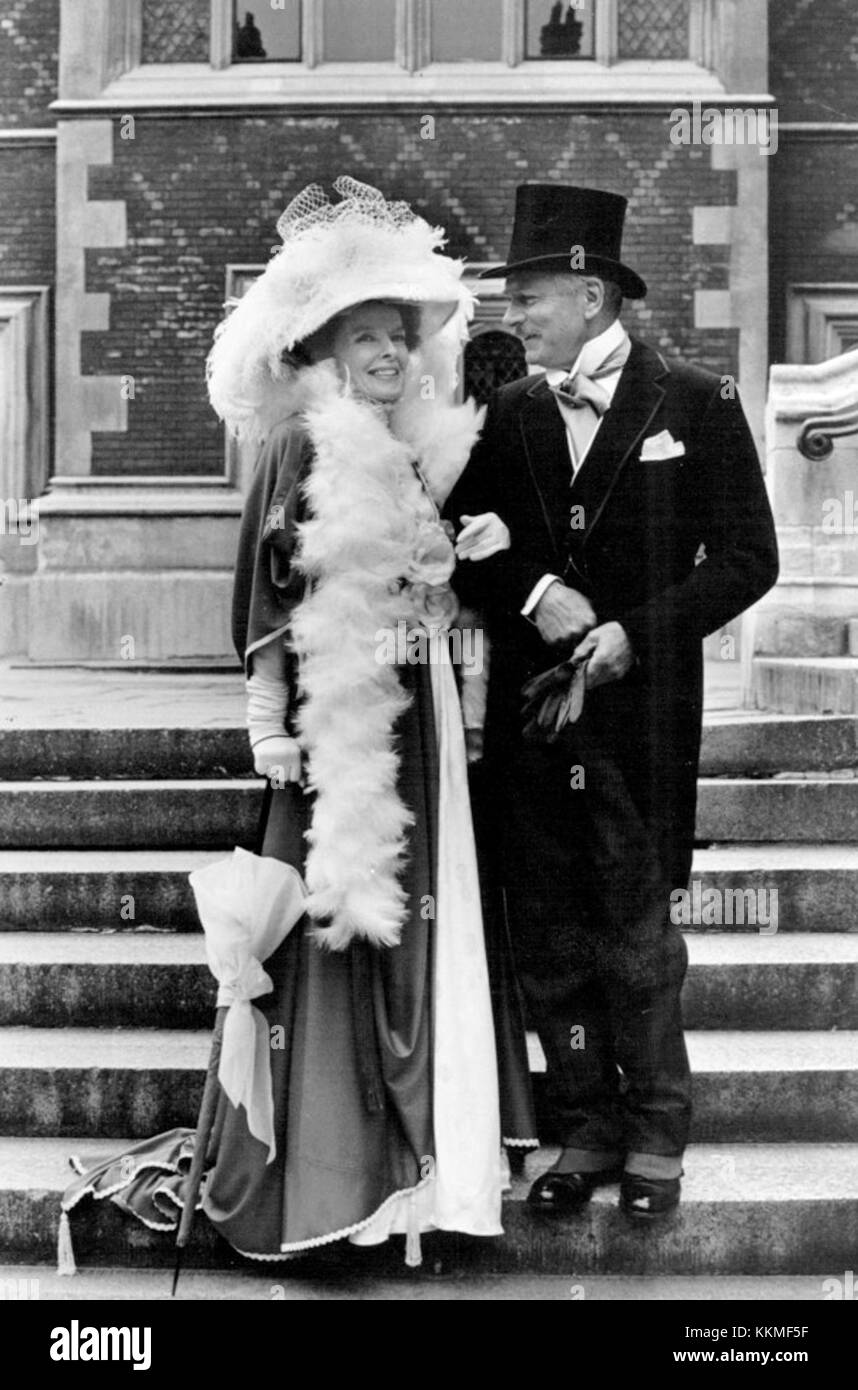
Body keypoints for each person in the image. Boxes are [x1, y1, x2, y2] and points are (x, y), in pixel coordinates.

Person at [60, 177, 536, 1269]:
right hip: (340, 730)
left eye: (399, 336)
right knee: (337, 944)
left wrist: (465, 573)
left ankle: (429, 1187)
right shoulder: (299, 445)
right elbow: (269, 603)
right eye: (367, 338)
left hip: (418, 730)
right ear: (324, 348)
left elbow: (436, 595)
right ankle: (337, 1184)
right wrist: (268, 723)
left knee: (425, 931)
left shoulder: (420, 445)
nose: (389, 354)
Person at [446, 184, 779, 1222]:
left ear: (590, 294)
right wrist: (539, 594)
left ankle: (656, 1137)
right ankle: (583, 1129)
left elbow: (749, 559)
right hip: (536, 725)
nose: (517, 317)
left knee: (638, 936)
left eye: (531, 296)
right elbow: (462, 543)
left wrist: (640, 629)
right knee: (548, 932)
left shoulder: (696, 402)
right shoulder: (506, 413)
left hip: (640, 726)